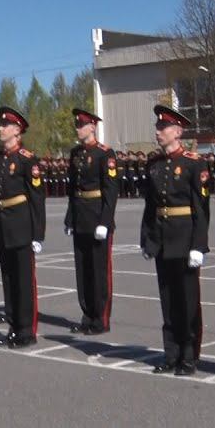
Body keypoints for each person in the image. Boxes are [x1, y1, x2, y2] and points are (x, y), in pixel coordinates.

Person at [141, 105, 210, 376]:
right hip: (162, 239)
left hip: (185, 239)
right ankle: (171, 353)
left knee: (188, 301)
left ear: (178, 131)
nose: (158, 132)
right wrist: (147, 238)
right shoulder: (154, 165)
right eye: (157, 127)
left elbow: (201, 208)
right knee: (168, 300)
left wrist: (198, 245)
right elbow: (150, 206)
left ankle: (190, 355)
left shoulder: (194, 163)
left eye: (164, 127)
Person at [0, 106, 45, 348]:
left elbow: (36, 199)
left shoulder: (27, 160)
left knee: (24, 281)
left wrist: (37, 234)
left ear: (17, 130)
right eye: (0, 125)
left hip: (22, 226)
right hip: (3, 227)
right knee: (9, 280)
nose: (0, 129)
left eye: (5, 125)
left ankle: (26, 331)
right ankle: (13, 326)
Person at [64, 108, 119, 336]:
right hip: (80, 217)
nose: (78, 129)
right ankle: (87, 315)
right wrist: (70, 218)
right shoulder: (75, 153)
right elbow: (72, 189)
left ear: (92, 127)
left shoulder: (105, 154)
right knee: (83, 270)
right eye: (77, 125)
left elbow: (111, 190)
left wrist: (105, 222)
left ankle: (101, 319)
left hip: (97, 217)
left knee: (99, 271)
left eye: (82, 125)